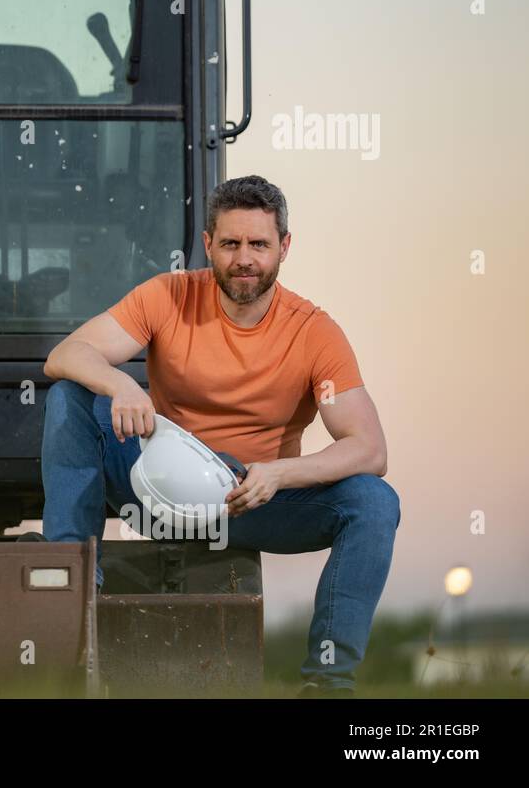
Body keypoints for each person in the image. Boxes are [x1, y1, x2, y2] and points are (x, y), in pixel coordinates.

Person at [40, 175, 398, 697]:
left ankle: (328, 681)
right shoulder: (168, 295)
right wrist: (121, 383)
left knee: (374, 502)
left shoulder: (314, 331)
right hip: (156, 487)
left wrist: (278, 473)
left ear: (284, 248)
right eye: (230, 244)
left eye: (259, 244)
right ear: (208, 245)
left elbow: (370, 448)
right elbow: (64, 355)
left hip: (249, 502)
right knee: (69, 397)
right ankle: (74, 606)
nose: (244, 258)